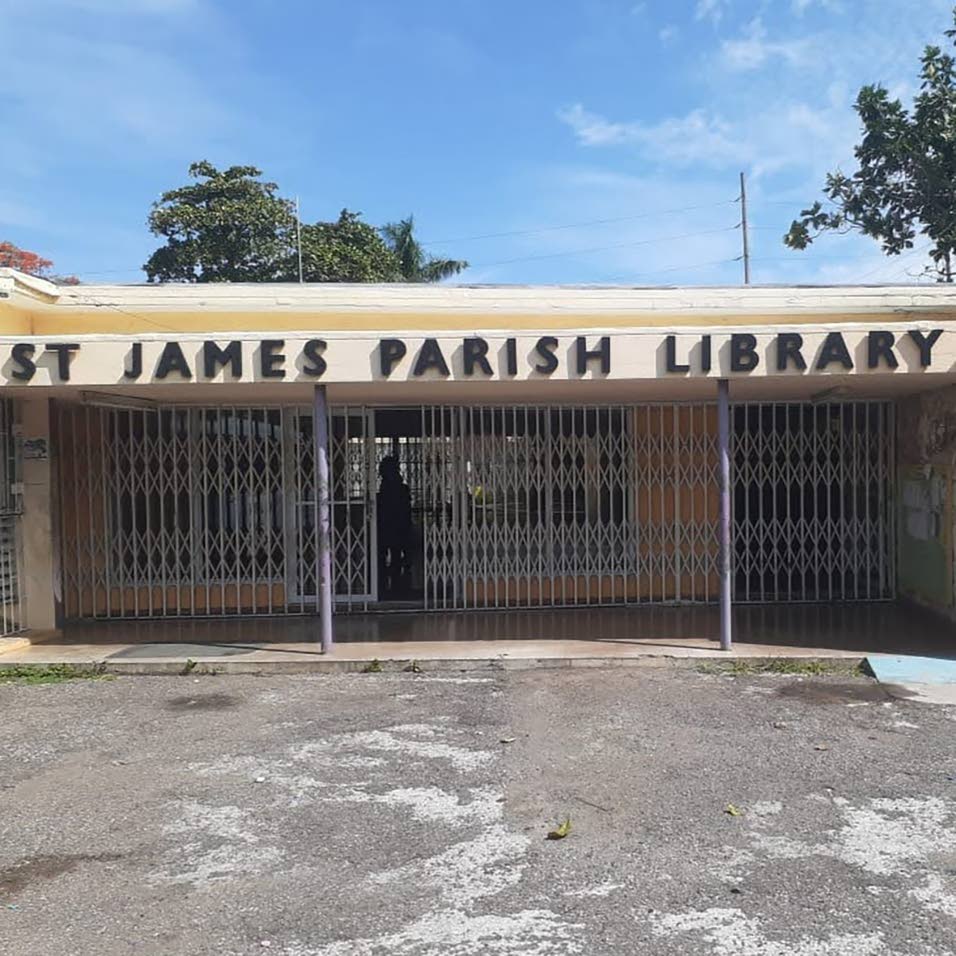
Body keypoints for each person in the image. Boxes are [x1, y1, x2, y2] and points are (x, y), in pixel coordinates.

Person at [376, 455, 413, 599]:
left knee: (386, 556)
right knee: (394, 556)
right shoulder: (400, 488)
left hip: (389, 526)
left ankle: (385, 586)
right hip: (396, 526)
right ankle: (394, 586)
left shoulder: (386, 489)